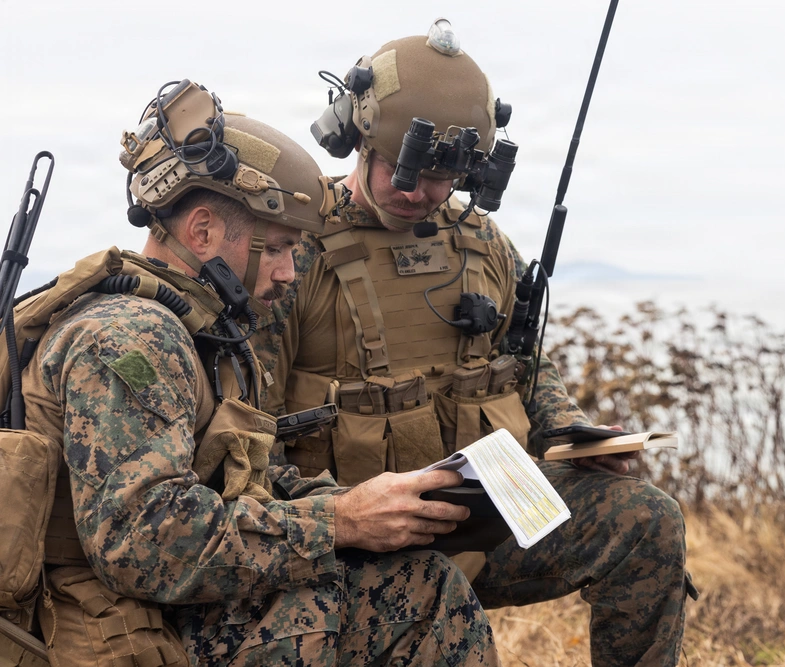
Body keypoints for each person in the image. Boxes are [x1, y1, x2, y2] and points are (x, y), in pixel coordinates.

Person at [254, 22, 696, 666]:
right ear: (360, 140)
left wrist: (571, 432)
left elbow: (522, 366)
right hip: (355, 534)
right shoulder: (296, 252)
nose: (418, 193)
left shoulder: (481, 244)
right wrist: (332, 515)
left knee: (646, 521)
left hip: (487, 519)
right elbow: (246, 428)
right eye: (405, 171)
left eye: (441, 179)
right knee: (433, 602)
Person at [15, 79, 499, 666]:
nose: (289, 271)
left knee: (417, 576)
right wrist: (338, 524)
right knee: (420, 597)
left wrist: (378, 504)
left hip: (154, 603)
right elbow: (141, 543)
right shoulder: (132, 337)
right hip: (94, 622)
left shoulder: (202, 332)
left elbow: (243, 482)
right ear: (202, 232)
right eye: (276, 248)